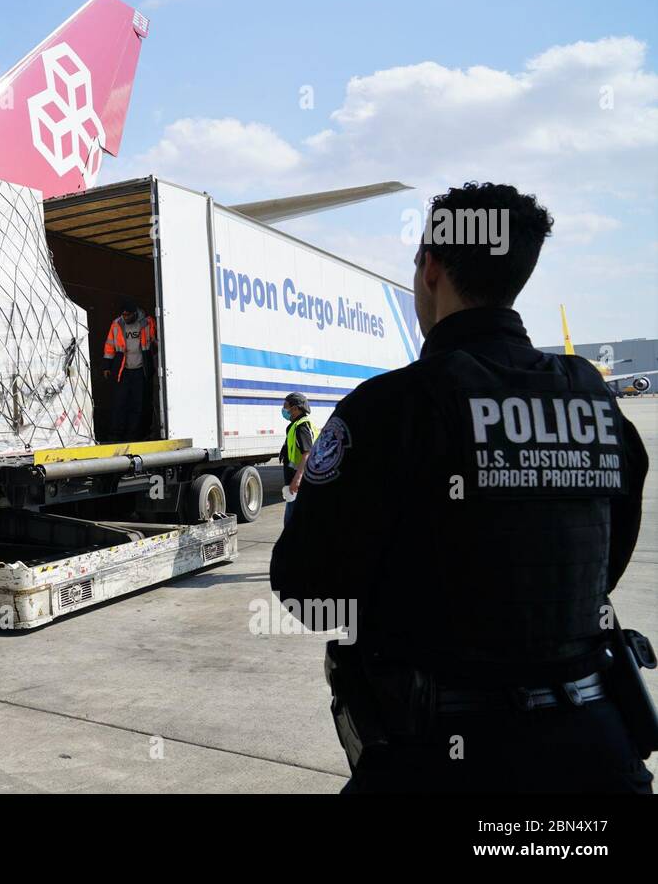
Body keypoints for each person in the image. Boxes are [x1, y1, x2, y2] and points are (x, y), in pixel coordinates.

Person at [271, 182, 652, 794]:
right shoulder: (596, 400)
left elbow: (306, 588)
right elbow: (604, 563)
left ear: (431, 267)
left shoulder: (392, 407)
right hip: (596, 751)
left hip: (440, 756)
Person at [102, 297, 156, 441]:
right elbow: (109, 345)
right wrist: (107, 365)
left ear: (134, 313)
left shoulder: (146, 323)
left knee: (137, 404)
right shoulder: (117, 324)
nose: (125, 317)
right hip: (123, 369)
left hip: (140, 369)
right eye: (123, 314)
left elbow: (155, 343)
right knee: (119, 403)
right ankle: (115, 435)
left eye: (128, 315)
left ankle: (134, 435)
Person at [278, 392, 317, 526]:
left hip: (299, 484)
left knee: (292, 524)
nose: (284, 410)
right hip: (298, 483)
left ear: (295, 408)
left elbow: (308, 453)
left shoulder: (301, 426)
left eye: (286, 406)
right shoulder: (296, 425)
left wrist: (297, 479)